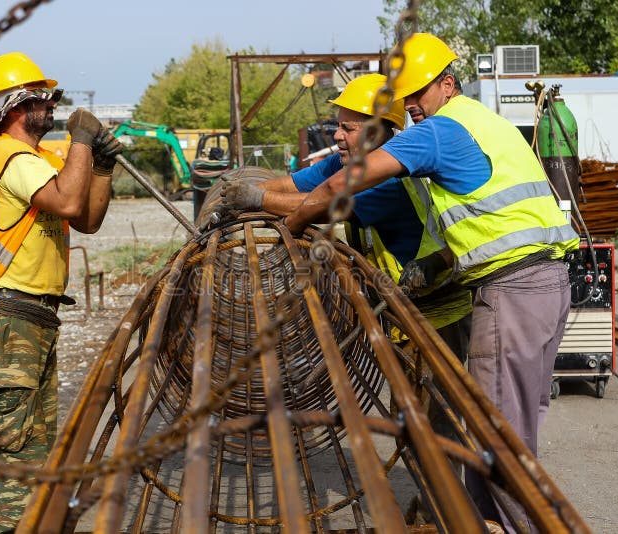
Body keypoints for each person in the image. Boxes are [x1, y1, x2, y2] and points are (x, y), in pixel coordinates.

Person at [284, 34, 579, 531]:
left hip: (511, 293)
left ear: (447, 84)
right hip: (547, 286)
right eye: (407, 97)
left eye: (419, 92)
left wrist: (291, 228)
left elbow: (338, 186)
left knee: (498, 446)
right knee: (509, 437)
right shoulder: (489, 124)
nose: (412, 105)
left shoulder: (438, 130)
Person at [0, 52, 123, 534]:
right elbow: (69, 200)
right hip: (5, 321)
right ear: (17, 105)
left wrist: (100, 167)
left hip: (31, 320)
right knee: (11, 455)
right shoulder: (8, 156)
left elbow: (86, 219)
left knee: (34, 453)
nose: (53, 104)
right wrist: (81, 141)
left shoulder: (35, 160)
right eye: (44, 97)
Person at [218, 73, 473, 435]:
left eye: (348, 129)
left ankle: (447, 492)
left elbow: (321, 205)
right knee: (408, 414)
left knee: (435, 421)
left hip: (436, 312)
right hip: (400, 306)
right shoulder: (344, 164)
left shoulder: (390, 178)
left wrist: (257, 201)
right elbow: (294, 184)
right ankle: (429, 491)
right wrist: (238, 193)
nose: (337, 135)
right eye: (338, 126)